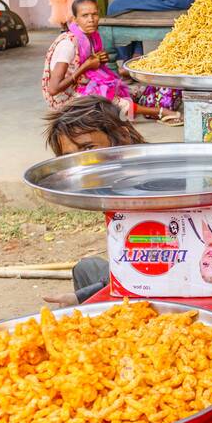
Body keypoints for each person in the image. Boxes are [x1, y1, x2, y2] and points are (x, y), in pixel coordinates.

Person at [42, 96, 148, 307]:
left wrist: (82, 296)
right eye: (71, 156)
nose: (83, 163)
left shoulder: (145, 192)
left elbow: (149, 273)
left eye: (89, 148)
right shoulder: (110, 189)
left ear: (123, 137)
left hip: (159, 284)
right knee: (86, 267)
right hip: (139, 271)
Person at [42, 0, 179, 123]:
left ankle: (137, 106)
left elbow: (88, 66)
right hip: (64, 101)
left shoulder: (90, 36)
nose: (91, 19)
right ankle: (159, 112)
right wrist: (86, 66)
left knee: (127, 89)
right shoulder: (68, 44)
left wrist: (99, 62)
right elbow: (53, 89)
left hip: (79, 84)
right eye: (85, 16)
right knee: (105, 98)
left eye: (94, 14)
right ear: (75, 19)